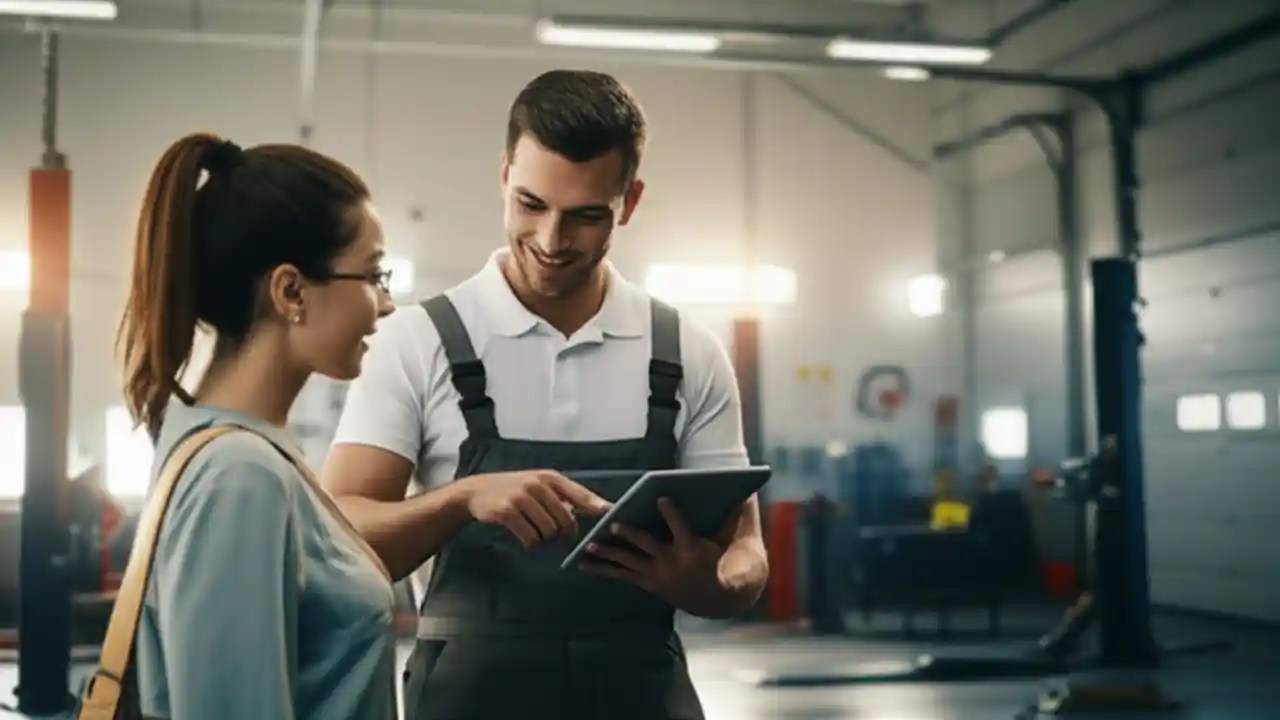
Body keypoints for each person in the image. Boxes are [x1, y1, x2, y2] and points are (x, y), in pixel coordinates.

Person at [321, 69, 770, 719]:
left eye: (586, 216)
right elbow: (341, 536)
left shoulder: (686, 353)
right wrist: (462, 500)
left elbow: (746, 550)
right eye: (531, 204)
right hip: (469, 698)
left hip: (642, 692)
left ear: (629, 201)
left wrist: (713, 585)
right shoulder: (415, 342)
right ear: (504, 174)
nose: (552, 241)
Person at [115, 132, 398, 719]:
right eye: (373, 275)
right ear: (291, 291)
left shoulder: (243, 453)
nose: (386, 303)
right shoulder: (239, 476)